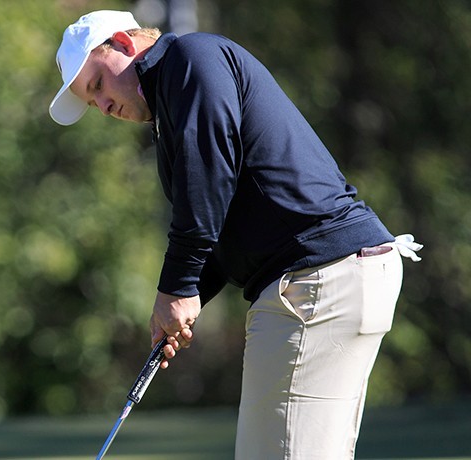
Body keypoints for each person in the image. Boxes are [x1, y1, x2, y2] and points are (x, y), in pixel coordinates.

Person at [48, 10, 422, 459]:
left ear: (126, 46)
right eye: (93, 104)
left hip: (315, 281)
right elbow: (221, 228)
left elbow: (206, 186)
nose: (104, 107)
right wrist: (182, 305)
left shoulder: (190, 58)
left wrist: (177, 288)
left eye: (97, 86)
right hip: (335, 275)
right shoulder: (172, 108)